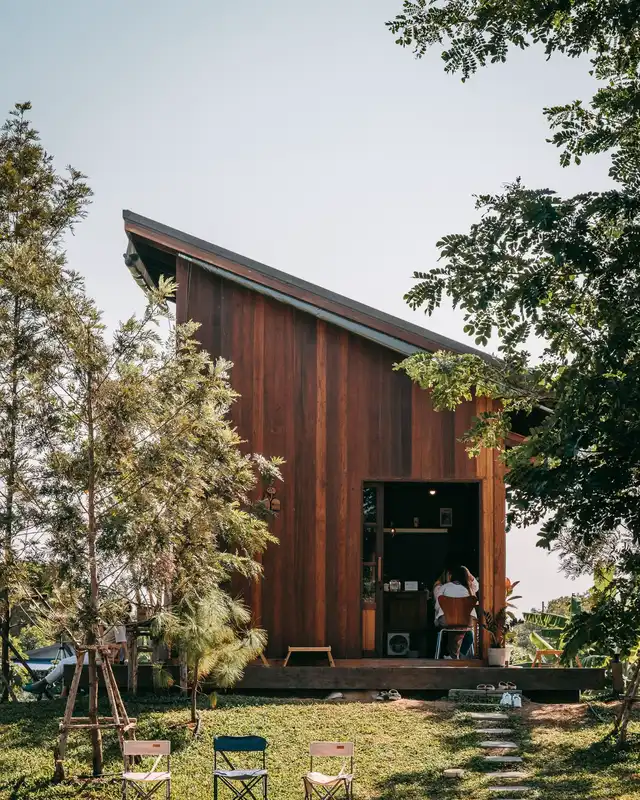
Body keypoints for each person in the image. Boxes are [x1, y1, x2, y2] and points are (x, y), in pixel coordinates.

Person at [24, 624, 127, 695]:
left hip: (101, 657)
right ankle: (43, 684)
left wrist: (125, 658)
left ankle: (42, 685)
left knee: (64, 663)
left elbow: (121, 645)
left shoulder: (118, 624)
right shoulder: (110, 624)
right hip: (96, 654)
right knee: (67, 662)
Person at [433, 563, 478, 659]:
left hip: (447, 620)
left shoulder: (443, 587)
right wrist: (468, 574)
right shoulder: (469, 589)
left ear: (452, 576)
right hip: (467, 620)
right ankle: (455, 655)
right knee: (461, 627)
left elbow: (437, 606)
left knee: (453, 625)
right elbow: (476, 586)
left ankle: (453, 655)